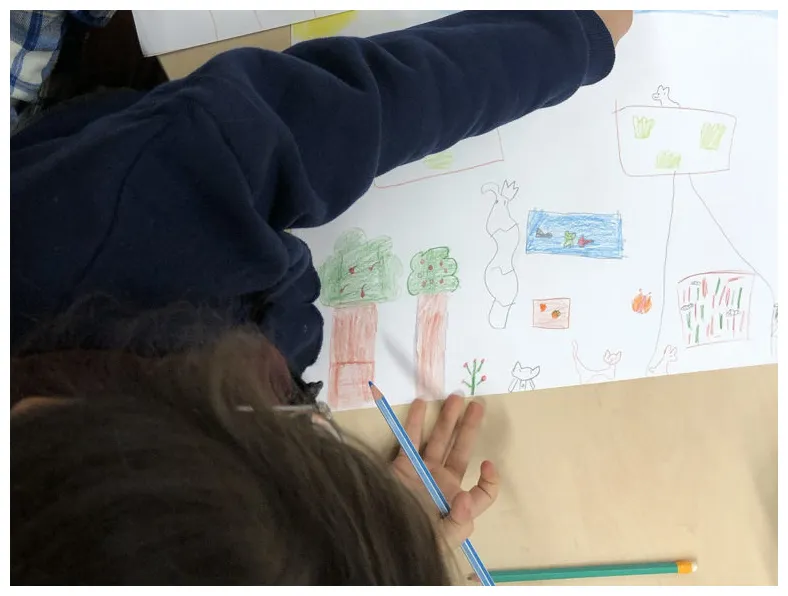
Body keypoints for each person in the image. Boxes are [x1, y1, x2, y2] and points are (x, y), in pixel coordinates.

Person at [10, 10, 633, 585]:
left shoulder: (99, 228)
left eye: (310, 438)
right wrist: (371, 546)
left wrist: (568, 36)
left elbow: (345, 109)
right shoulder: (137, 458)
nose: (317, 420)